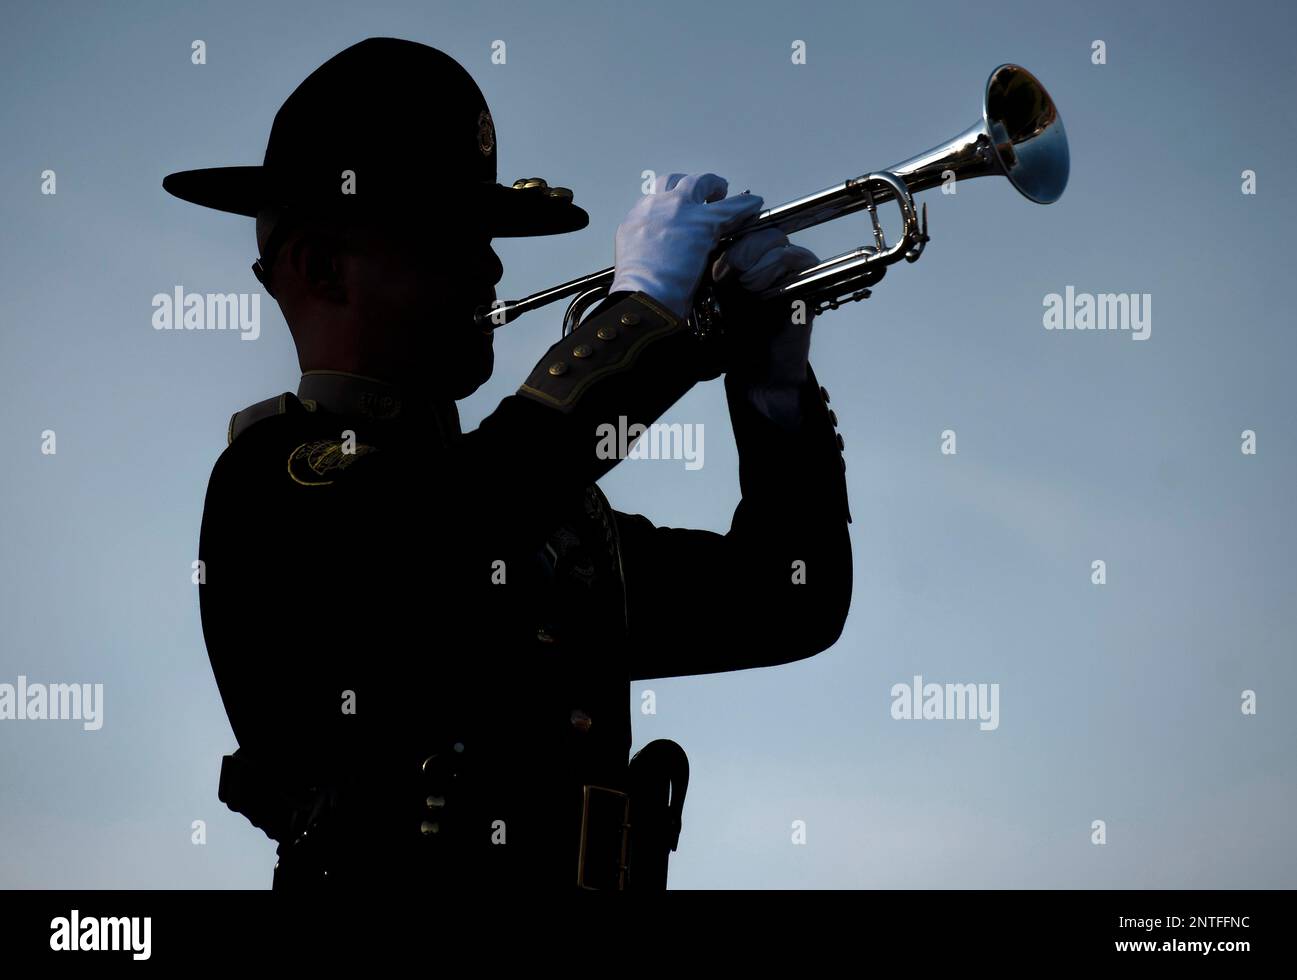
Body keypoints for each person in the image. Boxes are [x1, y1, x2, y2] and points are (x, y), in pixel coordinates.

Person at [165, 36, 852, 890]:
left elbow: (789, 601)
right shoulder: (275, 484)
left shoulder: (547, 511)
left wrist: (772, 394)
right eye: (445, 233)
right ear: (318, 266)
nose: (491, 264)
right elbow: (455, 525)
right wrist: (641, 314)